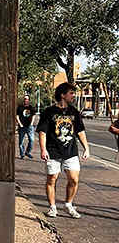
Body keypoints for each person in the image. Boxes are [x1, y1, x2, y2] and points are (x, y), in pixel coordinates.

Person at [36, 82, 90, 218]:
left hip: (70, 151)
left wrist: (86, 148)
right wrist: (43, 150)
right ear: (62, 95)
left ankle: (68, 204)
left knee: (74, 179)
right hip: (53, 151)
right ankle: (52, 207)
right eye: (71, 93)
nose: (73, 96)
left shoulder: (74, 112)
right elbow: (42, 132)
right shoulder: (49, 112)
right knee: (52, 179)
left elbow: (80, 131)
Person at [16, 93, 35, 159]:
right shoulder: (20, 107)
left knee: (32, 140)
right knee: (21, 141)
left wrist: (31, 123)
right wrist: (20, 124)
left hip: (29, 126)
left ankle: (27, 152)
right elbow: (17, 116)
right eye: (25, 99)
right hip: (22, 127)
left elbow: (33, 115)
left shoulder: (31, 107)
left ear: (29, 100)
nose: (26, 100)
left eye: (27, 99)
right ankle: (22, 154)